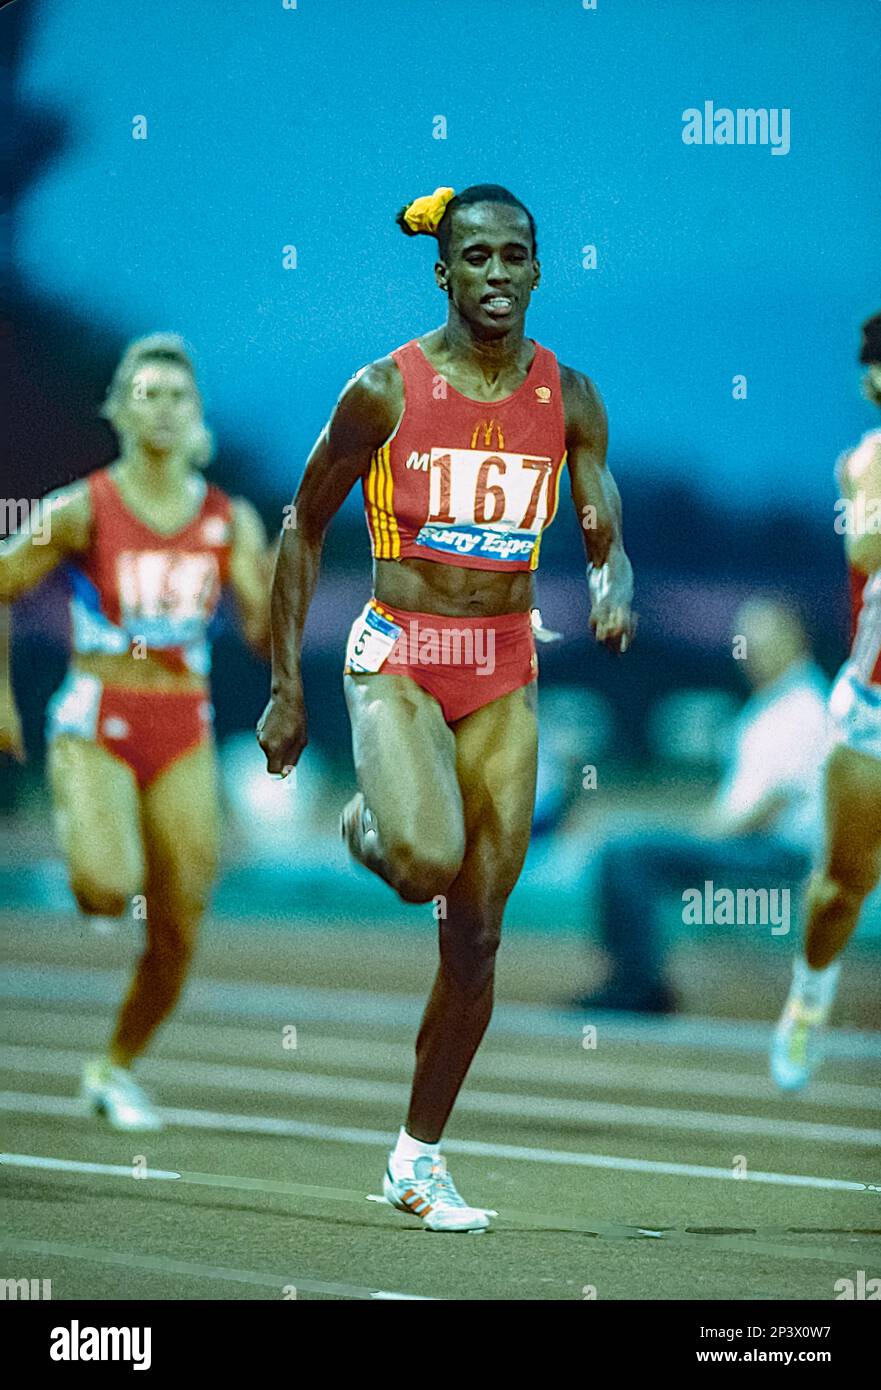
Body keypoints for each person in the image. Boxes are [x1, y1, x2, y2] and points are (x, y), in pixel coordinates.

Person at [257, 184, 635, 1232]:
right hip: (399, 658)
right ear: (443, 271)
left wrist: (612, 576)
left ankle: (415, 1160)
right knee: (423, 860)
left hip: (503, 664)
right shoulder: (384, 390)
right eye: (475, 258)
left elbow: (598, 506)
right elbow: (300, 527)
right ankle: (364, 822)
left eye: (515, 255)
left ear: (538, 267)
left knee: (475, 936)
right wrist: (288, 687)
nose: (497, 275)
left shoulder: (571, 397)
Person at [0, 333, 271, 1129]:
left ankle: (113, 1066)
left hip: (184, 720)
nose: (162, 409)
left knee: (182, 920)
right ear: (120, 409)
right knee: (108, 890)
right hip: (98, 716)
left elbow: (263, 629)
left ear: (197, 415)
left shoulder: (228, 519)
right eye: (146, 394)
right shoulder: (84, 507)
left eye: (177, 396)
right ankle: (79, 818)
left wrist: (290, 576)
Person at [570, 599, 829, 1014]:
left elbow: (770, 808)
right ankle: (636, 979)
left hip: (778, 856)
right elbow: (739, 801)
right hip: (752, 844)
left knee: (627, 853)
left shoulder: (806, 707)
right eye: (745, 642)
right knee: (627, 844)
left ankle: (637, 986)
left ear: (795, 638)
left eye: (763, 641)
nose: (752, 652)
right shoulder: (770, 703)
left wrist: (702, 833)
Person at [771, 311, 881, 1089]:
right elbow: (865, 550)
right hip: (874, 708)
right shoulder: (866, 463)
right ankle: (809, 996)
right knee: (844, 886)